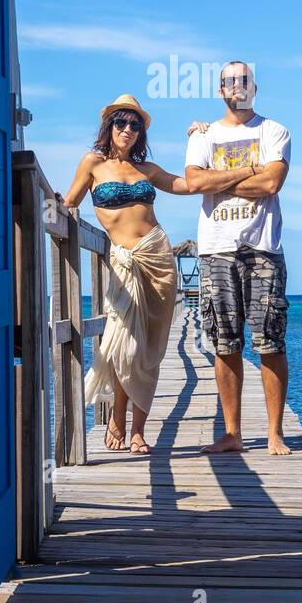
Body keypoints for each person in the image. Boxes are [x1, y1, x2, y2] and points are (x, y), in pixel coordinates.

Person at [62, 95, 192, 455]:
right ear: (109, 127)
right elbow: (69, 202)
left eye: (135, 125)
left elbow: (186, 184)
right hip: (123, 263)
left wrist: (200, 142)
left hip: (157, 258)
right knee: (124, 346)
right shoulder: (93, 163)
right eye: (122, 123)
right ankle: (116, 418)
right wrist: (51, 204)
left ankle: (137, 430)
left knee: (149, 352)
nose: (128, 130)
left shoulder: (146, 170)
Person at [184, 62, 292, 455]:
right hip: (216, 249)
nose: (237, 86)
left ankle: (275, 432)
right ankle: (233, 433)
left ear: (254, 88)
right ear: (220, 90)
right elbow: (195, 182)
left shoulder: (274, 131)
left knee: (270, 341)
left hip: (262, 249)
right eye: (229, 81)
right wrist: (249, 169)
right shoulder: (204, 134)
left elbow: (272, 182)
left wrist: (222, 178)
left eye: (243, 80)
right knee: (224, 343)